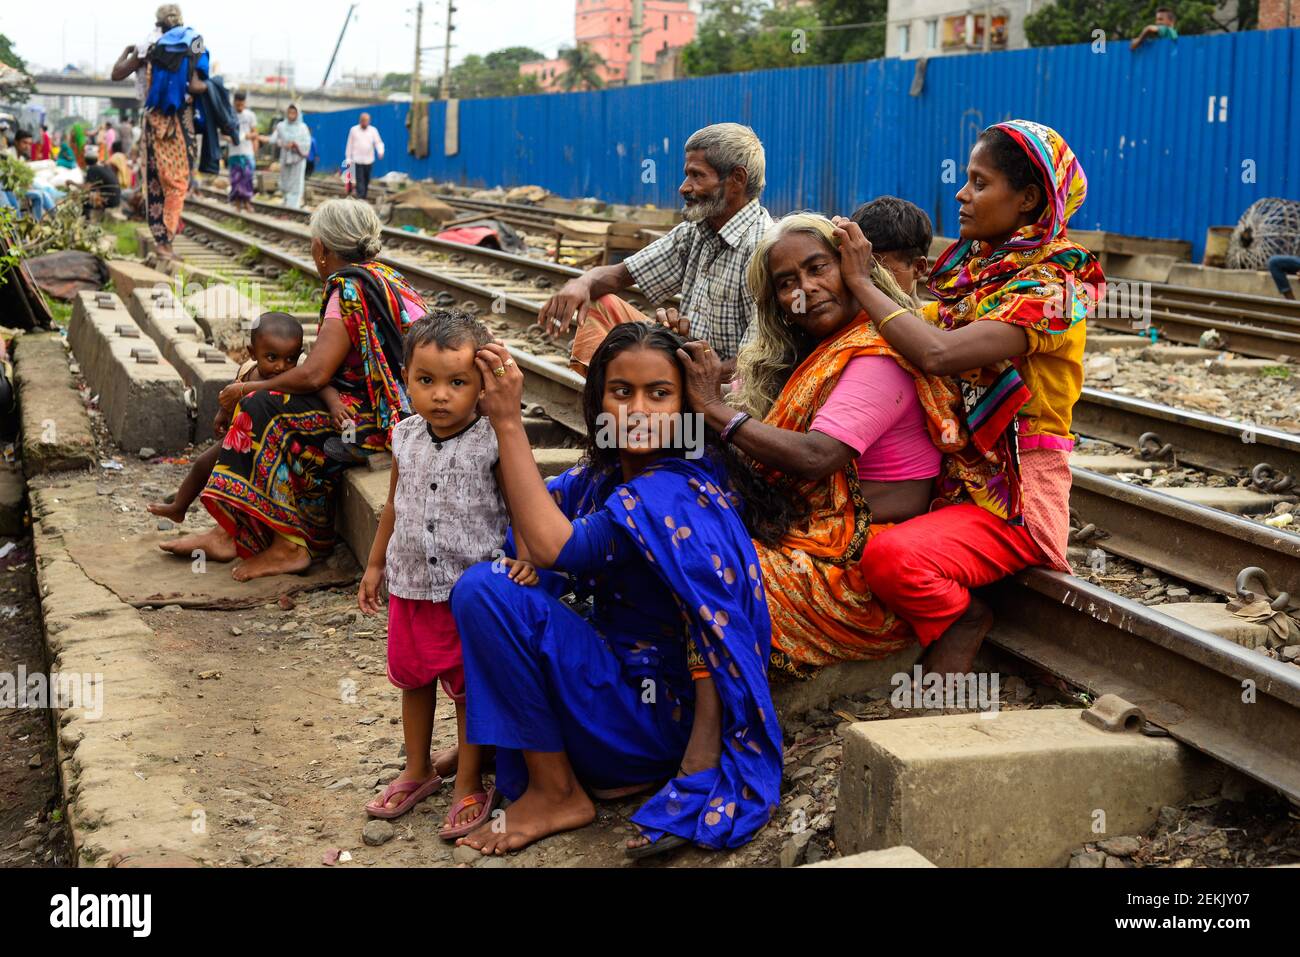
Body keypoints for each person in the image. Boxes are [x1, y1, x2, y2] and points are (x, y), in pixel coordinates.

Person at [449, 322, 790, 857]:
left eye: (659, 394)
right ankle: (531, 757)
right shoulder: (607, 478)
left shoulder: (672, 492)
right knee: (500, 581)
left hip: (649, 723)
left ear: (686, 408)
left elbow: (552, 547)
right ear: (599, 400)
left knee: (484, 591)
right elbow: (530, 518)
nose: (637, 410)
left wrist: (510, 423)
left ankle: (555, 792)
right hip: (613, 694)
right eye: (621, 392)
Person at [835, 119, 1104, 676]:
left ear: (1028, 199)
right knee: (828, 525)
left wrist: (863, 281)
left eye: (979, 183)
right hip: (956, 476)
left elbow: (937, 352)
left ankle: (963, 619)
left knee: (888, 556)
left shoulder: (1059, 287)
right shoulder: (976, 273)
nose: (961, 194)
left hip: (1016, 496)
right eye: (965, 179)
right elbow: (909, 323)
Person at [674, 213, 966, 678]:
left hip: (855, 571)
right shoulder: (817, 350)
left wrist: (715, 410)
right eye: (786, 282)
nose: (803, 289)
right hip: (812, 536)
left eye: (818, 269)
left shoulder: (875, 354)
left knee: (699, 570)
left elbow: (816, 457)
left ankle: (717, 718)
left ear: (852, 268)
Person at [159, 198, 426, 580]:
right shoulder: (387, 277)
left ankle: (285, 546)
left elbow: (314, 374)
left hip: (379, 422)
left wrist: (244, 392)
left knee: (260, 408)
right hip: (399, 410)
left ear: (321, 248)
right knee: (268, 404)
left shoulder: (347, 291)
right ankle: (230, 533)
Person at [358, 311, 538, 837]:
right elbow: (393, 504)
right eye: (426, 381)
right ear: (406, 379)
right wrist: (374, 564)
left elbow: (517, 501)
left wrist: (526, 554)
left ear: (481, 385)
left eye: (457, 383)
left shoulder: (491, 440)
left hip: (467, 593)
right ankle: (417, 770)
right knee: (412, 679)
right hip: (410, 585)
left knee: (467, 688)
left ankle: (466, 781)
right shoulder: (405, 435)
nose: (440, 395)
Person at [538, 123, 772, 378]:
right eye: (687, 175)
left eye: (697, 176)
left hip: (724, 388)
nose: (684, 187)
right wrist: (582, 282)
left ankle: (638, 405)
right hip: (687, 364)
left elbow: (757, 361)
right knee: (603, 306)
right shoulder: (696, 232)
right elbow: (620, 275)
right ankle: (612, 407)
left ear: (737, 179)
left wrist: (685, 374)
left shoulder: (764, 249)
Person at [148, 313, 348, 524]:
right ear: (253, 353)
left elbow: (322, 387)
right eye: (272, 358)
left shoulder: (295, 375)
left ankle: (241, 526)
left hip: (268, 445)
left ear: (298, 355)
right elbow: (230, 394)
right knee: (202, 463)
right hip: (242, 438)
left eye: (289, 359)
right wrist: (222, 414)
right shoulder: (247, 371)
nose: (281, 366)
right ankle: (179, 506)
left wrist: (335, 405)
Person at [111, 4, 206, 259]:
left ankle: (162, 243)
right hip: (177, 120)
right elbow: (196, 85)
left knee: (154, 181)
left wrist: (128, 51)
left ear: (158, 24)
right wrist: (211, 89)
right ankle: (167, 244)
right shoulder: (192, 44)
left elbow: (116, 74)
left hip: (152, 119)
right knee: (177, 183)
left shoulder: (148, 47)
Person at [850, 196, 932, 298]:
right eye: (868, 274)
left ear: (919, 267)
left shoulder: (938, 313)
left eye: (884, 273)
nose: (871, 284)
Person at [269, 104, 311, 210]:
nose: (291, 115)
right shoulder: (281, 126)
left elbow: (307, 143)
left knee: (296, 182)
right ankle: (286, 200)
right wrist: (283, 144)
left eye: (294, 113)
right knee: (284, 180)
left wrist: (296, 145)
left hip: (298, 159)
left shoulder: (303, 127)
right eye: (289, 112)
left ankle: (293, 205)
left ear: (298, 114)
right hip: (285, 158)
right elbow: (274, 139)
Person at [226, 91, 258, 211]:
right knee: (236, 178)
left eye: (242, 103)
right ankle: (237, 203)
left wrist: (247, 136)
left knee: (248, 177)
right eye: (237, 103)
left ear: (245, 103)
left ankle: (247, 202)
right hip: (234, 152)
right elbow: (222, 133)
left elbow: (256, 133)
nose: (239, 105)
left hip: (247, 152)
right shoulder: (229, 115)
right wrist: (230, 138)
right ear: (234, 102)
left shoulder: (250, 115)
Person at [345, 112, 385, 200]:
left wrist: (380, 151)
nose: (364, 122)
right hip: (357, 160)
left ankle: (364, 196)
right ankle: (360, 198)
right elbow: (349, 145)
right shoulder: (354, 130)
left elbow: (378, 142)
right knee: (360, 180)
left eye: (366, 121)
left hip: (369, 160)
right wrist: (348, 158)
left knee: (366, 180)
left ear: (369, 121)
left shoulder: (373, 130)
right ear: (360, 121)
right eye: (363, 120)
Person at [81, 144, 121, 216]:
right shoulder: (102, 167)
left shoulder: (92, 169)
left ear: (85, 160)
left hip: (109, 201)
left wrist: (72, 183)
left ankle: (85, 223)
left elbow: (86, 188)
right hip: (116, 199)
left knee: (84, 200)